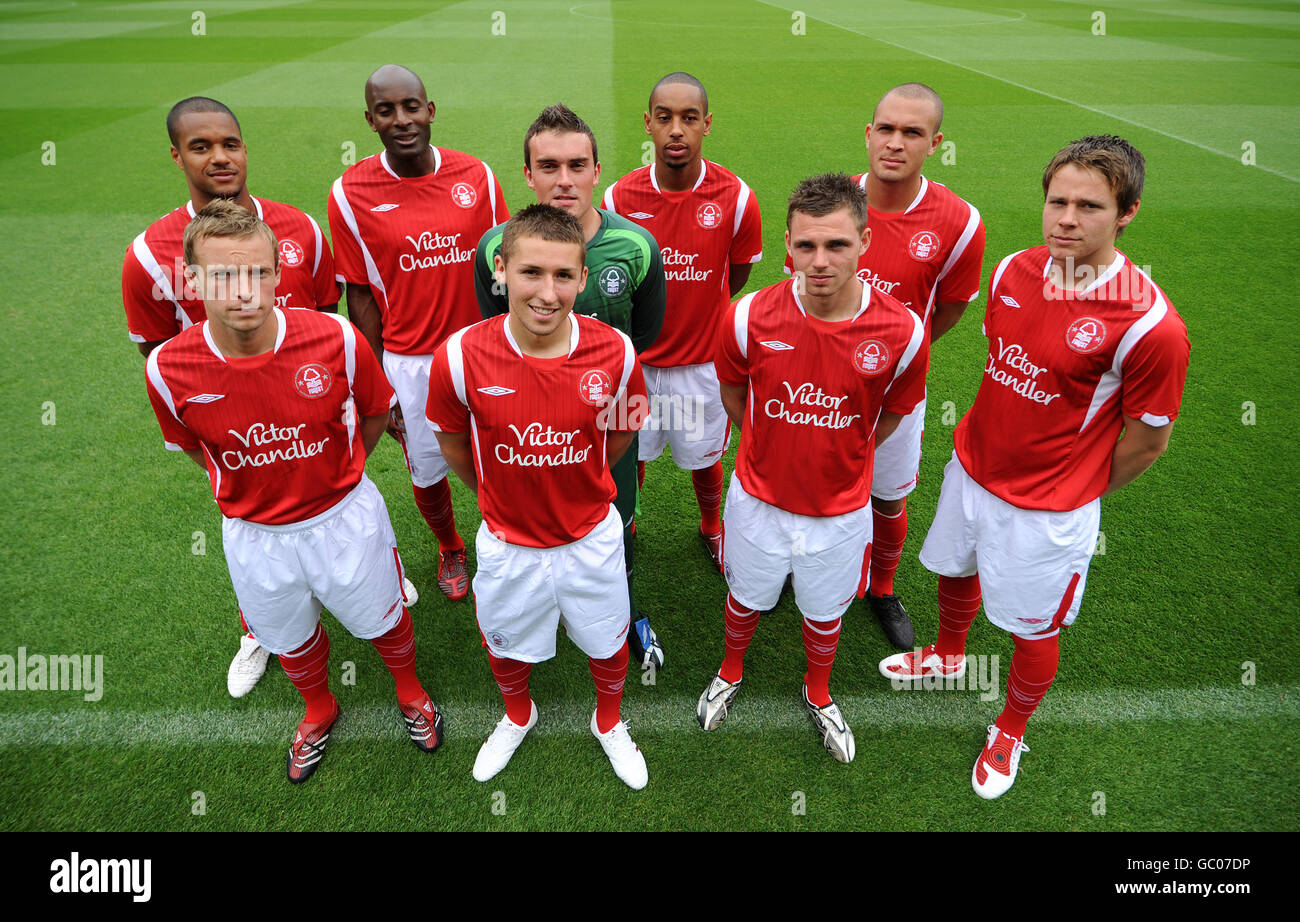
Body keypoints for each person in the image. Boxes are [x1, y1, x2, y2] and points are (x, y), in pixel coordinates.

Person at [879, 135, 1190, 799]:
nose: (1067, 219)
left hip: (1047, 509)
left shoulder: (1149, 324)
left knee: (1031, 626)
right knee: (954, 571)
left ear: (1126, 211)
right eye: (1058, 201)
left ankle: (1012, 728)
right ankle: (949, 655)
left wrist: (1071, 490)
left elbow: (1147, 441)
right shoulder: (1014, 270)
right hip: (973, 466)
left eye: (1089, 206)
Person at [145, 200, 445, 784]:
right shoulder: (166, 368)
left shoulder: (334, 336)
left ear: (278, 274)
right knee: (287, 634)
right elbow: (191, 445)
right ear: (192, 279)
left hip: (344, 519)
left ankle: (410, 692)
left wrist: (345, 472)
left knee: (382, 616)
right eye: (222, 275)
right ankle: (319, 708)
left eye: (258, 272)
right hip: (256, 535)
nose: (244, 291)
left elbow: (376, 411)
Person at [698, 174, 926, 762]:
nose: (819, 261)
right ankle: (730, 670)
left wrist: (838, 451)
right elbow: (734, 393)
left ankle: (818, 690)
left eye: (837, 245)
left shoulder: (902, 331)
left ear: (865, 242)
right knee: (745, 597)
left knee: (825, 611)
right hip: (757, 499)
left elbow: (892, 415)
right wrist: (773, 444)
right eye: (806, 246)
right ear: (787, 245)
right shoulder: (749, 315)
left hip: (842, 510)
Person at [121, 96, 342, 699]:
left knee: (346, 514)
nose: (219, 158)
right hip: (237, 435)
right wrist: (218, 441)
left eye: (230, 144)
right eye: (201, 147)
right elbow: (162, 361)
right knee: (257, 538)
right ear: (177, 155)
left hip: (309, 413)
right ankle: (260, 625)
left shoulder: (299, 228)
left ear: (245, 148)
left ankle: (373, 579)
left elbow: (325, 320)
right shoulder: (147, 256)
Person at [429, 204, 649, 789]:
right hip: (507, 542)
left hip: (590, 536)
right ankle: (517, 715)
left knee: (606, 640)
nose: (546, 293)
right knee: (505, 643)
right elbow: (454, 444)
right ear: (501, 270)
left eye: (562, 276)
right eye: (530, 273)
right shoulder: (458, 356)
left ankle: (608, 722)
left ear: (582, 277)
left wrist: (580, 478)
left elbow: (622, 431)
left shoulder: (617, 353)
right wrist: (497, 493)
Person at [787, 83, 986, 650]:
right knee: (802, 482)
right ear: (868, 133)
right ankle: (789, 566)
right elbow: (800, 285)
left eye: (912, 133)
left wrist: (893, 358)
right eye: (886, 129)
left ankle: (881, 585)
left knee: (887, 495)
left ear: (935, 143)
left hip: (893, 391)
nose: (895, 143)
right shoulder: (830, 201)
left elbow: (945, 310)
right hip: (814, 386)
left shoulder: (960, 221)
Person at [473, 104, 667, 671]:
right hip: (521, 427)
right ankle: (537, 608)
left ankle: (620, 607)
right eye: (549, 166)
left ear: (598, 170)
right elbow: (490, 331)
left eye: (577, 165)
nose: (564, 180)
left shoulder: (636, 247)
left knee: (618, 515)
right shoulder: (495, 248)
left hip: (606, 420)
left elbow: (645, 338)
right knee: (528, 528)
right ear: (527, 175)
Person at [329, 64, 508, 603]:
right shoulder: (350, 192)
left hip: (481, 349)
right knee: (427, 466)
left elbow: (505, 266)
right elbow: (358, 294)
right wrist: (379, 381)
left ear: (430, 110)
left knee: (502, 451)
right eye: (387, 110)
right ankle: (451, 545)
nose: (401, 119)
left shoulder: (476, 175)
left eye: (411, 106)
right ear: (370, 120)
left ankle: (506, 532)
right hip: (411, 362)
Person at [602, 72, 762, 572]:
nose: (677, 130)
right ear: (648, 124)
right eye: (665, 118)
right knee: (630, 453)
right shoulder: (618, 199)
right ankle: (628, 523)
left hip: (702, 365)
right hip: (638, 364)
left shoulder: (736, 198)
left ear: (706, 125)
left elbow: (733, 275)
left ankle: (711, 526)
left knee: (705, 456)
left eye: (689, 118)